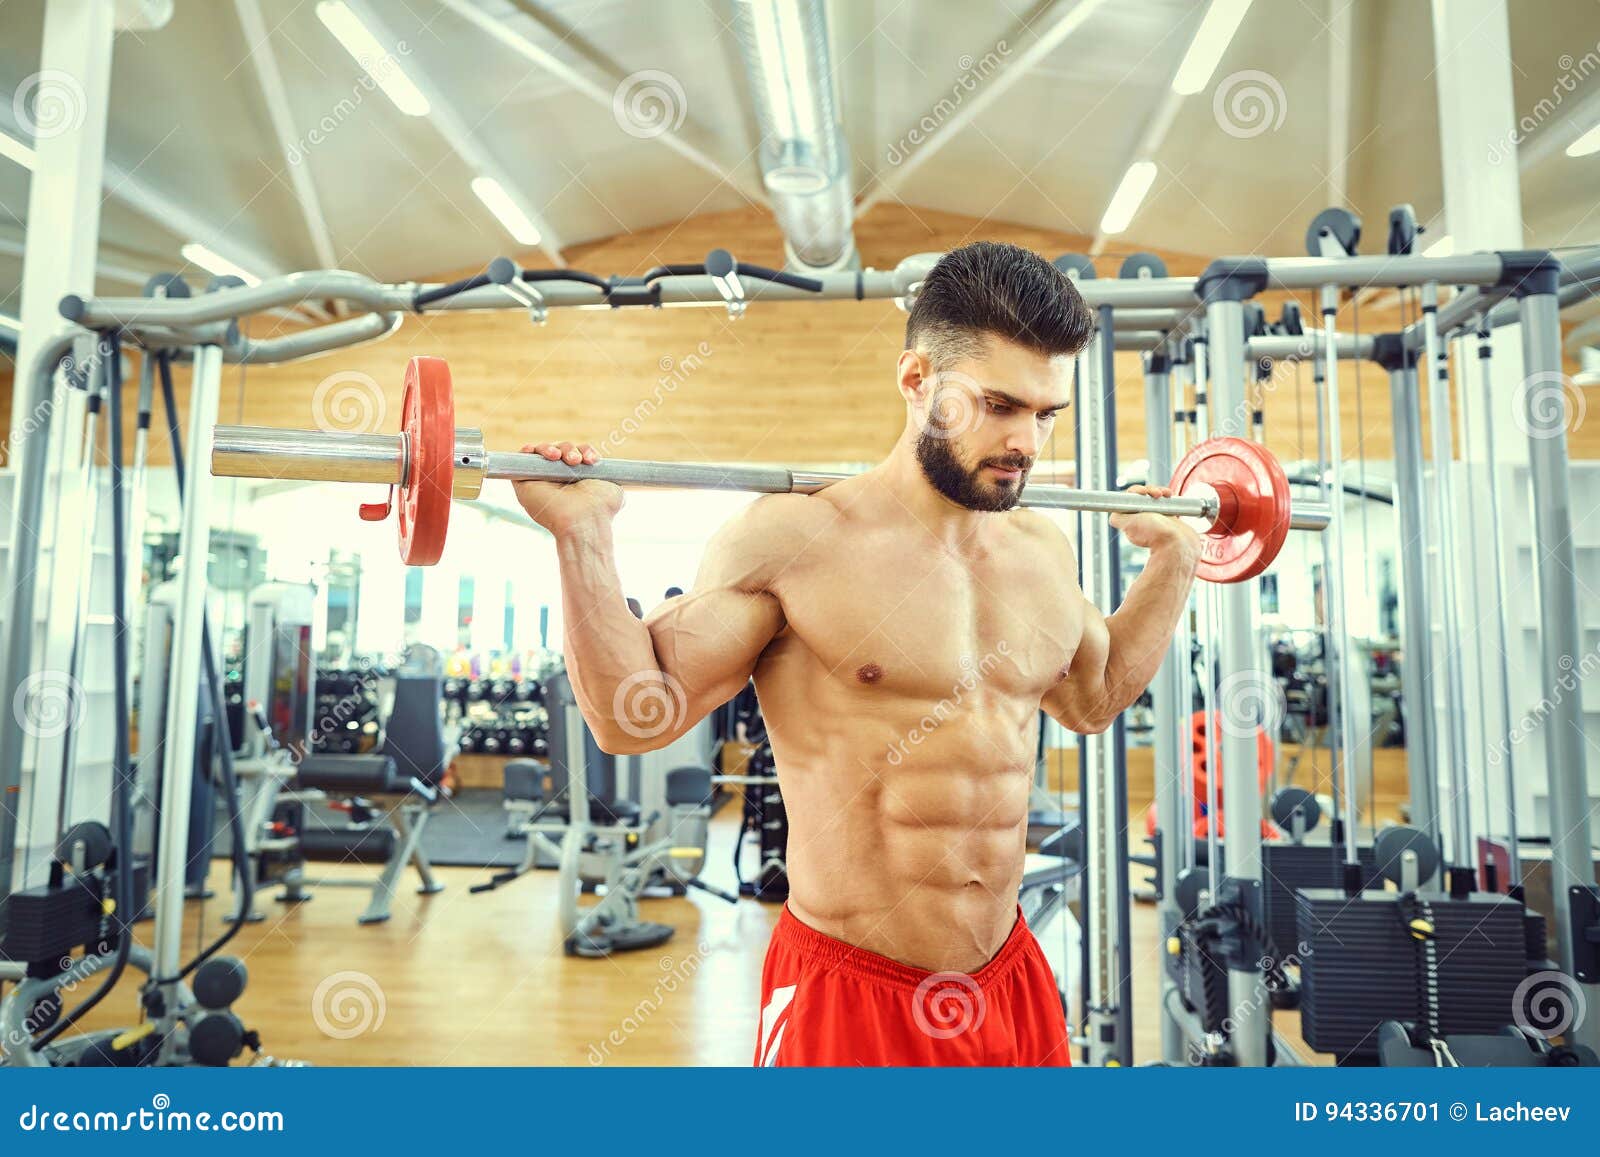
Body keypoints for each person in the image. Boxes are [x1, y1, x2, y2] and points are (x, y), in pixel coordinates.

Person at [512, 241, 1201, 1066]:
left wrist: (1176, 560)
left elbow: (1094, 697)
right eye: (1000, 404)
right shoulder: (798, 541)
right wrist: (582, 534)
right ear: (916, 380)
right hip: (851, 990)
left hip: (1008, 975)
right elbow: (633, 716)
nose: (1027, 441)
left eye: (1046, 413)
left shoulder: (1042, 551)